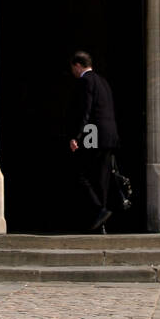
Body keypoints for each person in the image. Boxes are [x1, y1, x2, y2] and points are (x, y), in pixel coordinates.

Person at [67, 51, 119, 232]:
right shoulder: (103, 81)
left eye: (73, 68)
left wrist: (76, 136)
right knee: (102, 180)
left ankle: (99, 210)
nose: (72, 71)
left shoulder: (86, 81)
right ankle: (101, 224)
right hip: (109, 136)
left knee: (81, 174)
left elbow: (85, 111)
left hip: (93, 134)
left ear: (77, 65)